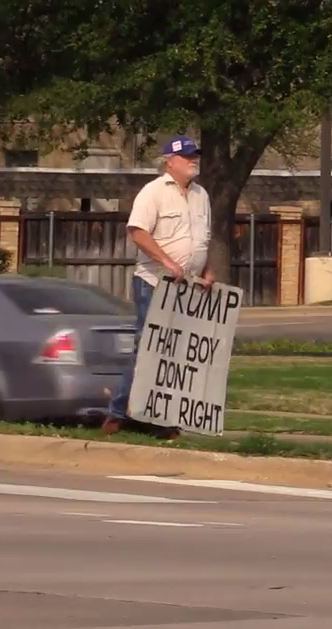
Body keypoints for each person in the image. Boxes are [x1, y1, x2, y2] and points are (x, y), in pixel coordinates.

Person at [102, 135, 214, 439]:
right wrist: (166, 261)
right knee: (149, 349)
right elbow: (137, 232)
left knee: (176, 356)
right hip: (153, 283)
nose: (194, 161)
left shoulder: (201, 195)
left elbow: (201, 239)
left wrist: (207, 270)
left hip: (186, 289)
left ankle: (162, 420)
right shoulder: (152, 193)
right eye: (188, 156)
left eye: (196, 156)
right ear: (170, 160)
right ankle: (117, 413)